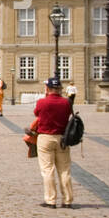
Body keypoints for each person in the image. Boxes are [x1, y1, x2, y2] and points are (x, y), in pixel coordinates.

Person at [32, 76, 74, 208]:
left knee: (47, 170)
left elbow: (36, 114)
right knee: (64, 170)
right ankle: (67, 200)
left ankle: (51, 200)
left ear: (47, 88)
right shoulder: (66, 102)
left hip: (45, 138)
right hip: (62, 138)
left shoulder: (42, 102)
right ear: (60, 89)